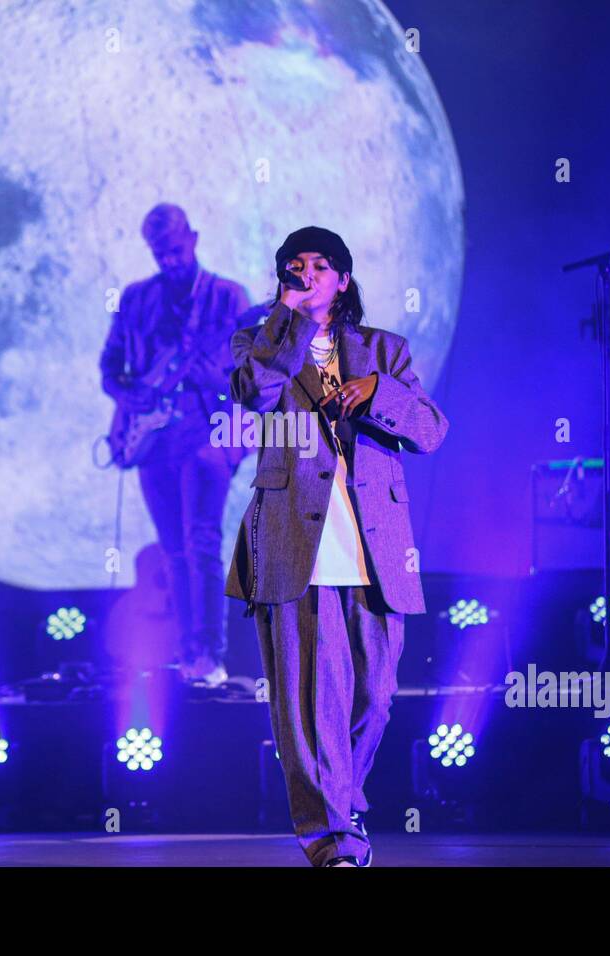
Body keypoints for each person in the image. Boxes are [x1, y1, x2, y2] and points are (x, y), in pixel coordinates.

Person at [225, 226, 448, 866]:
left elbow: (431, 432)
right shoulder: (257, 342)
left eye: (321, 266)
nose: (307, 273)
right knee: (309, 701)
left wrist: (381, 393)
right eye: (294, 266)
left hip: (376, 546)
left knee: (374, 698)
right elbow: (254, 394)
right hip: (296, 539)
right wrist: (287, 319)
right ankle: (332, 840)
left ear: (344, 280)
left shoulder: (386, 350)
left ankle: (339, 800)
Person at [100, 203, 251, 687]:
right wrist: (132, 395)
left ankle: (208, 654)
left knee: (202, 541)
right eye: (160, 253)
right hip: (153, 442)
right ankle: (187, 656)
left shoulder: (228, 299)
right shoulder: (136, 299)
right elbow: (110, 367)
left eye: (176, 249)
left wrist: (212, 375)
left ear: (195, 238)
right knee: (173, 551)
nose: (170, 260)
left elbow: (252, 377)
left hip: (207, 434)